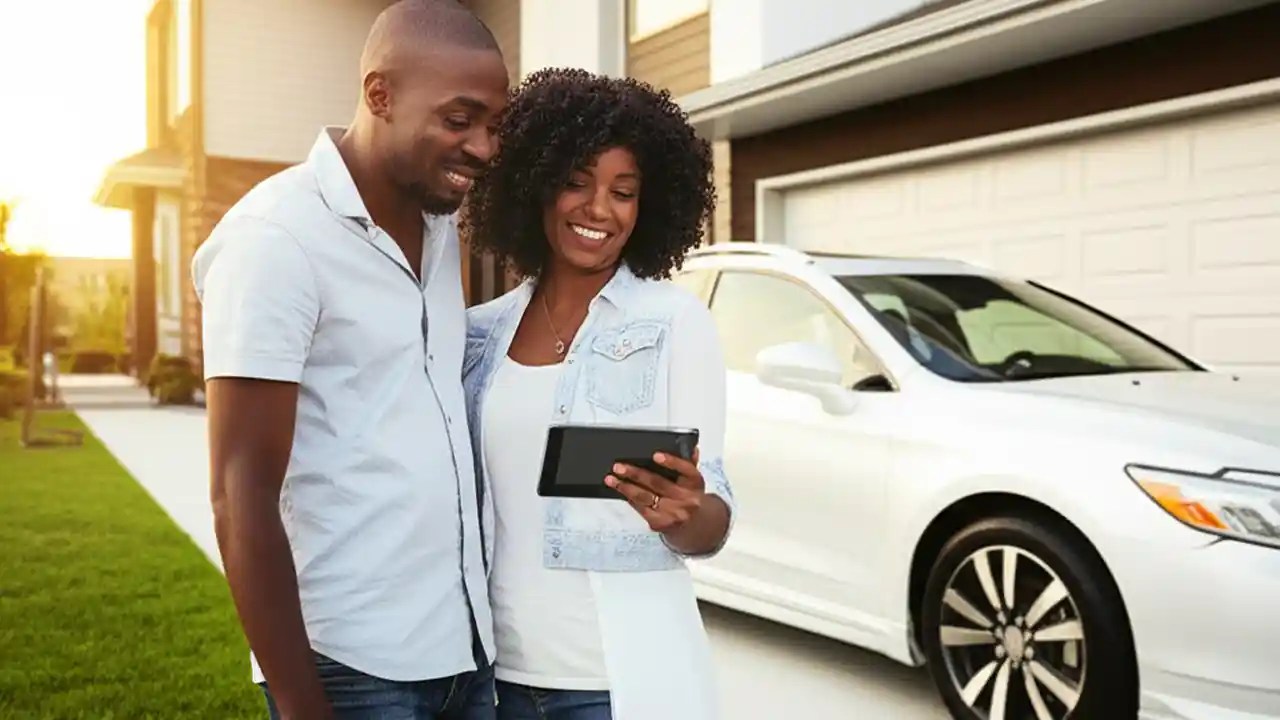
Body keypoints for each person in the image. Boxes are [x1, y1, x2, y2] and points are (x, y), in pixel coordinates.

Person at [190, 2, 508, 718]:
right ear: (380, 95)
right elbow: (239, 499)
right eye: (459, 120)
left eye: (494, 126)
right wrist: (303, 706)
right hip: (353, 669)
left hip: (465, 654)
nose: (484, 148)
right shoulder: (276, 239)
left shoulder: (436, 224)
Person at [459, 68, 734, 720]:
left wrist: (687, 513)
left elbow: (714, 514)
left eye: (624, 191)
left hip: (621, 680)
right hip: (494, 678)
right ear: (536, 184)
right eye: (576, 181)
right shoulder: (479, 335)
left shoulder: (675, 322)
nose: (598, 209)